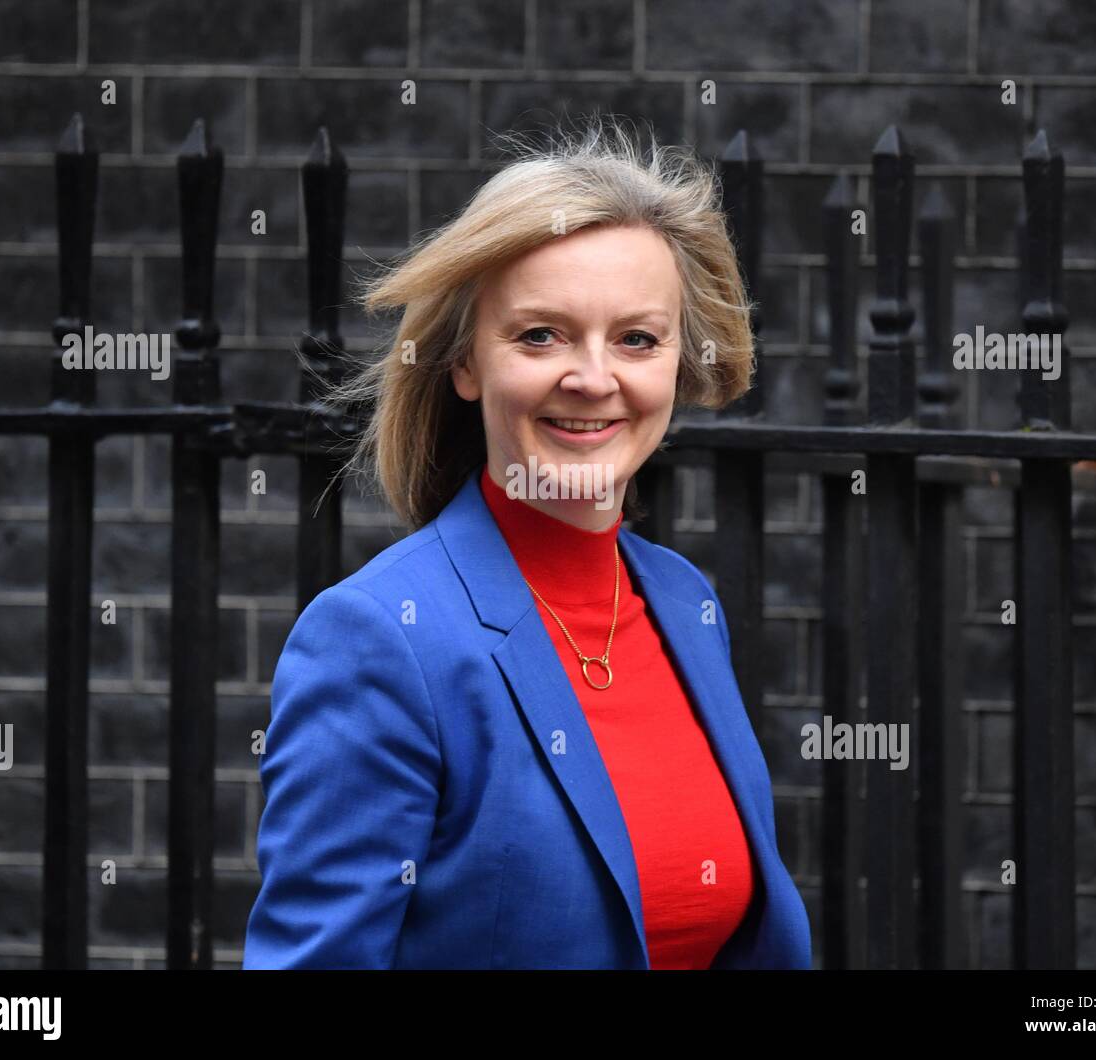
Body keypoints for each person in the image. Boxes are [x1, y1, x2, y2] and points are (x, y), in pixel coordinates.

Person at [242, 117, 812, 970]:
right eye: (540, 335)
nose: (592, 377)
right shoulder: (379, 638)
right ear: (466, 365)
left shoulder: (685, 602)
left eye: (637, 338)